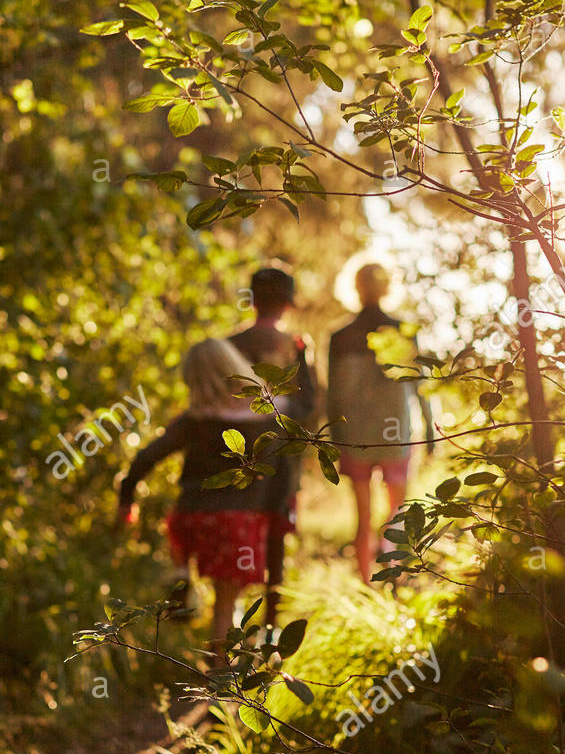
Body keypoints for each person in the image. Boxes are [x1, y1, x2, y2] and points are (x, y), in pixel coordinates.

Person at [116, 339, 285, 664]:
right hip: (235, 519)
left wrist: (127, 498)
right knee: (224, 607)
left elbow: (146, 458)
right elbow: (273, 475)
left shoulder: (193, 420)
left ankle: (182, 575)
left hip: (189, 516)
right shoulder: (264, 417)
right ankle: (220, 680)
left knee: (185, 541)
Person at [327, 263, 434, 584]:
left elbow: (332, 394)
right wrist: (430, 430)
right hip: (396, 435)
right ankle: (393, 582)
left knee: (362, 519)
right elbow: (421, 385)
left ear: (355, 288)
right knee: (397, 515)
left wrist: (335, 438)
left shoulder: (340, 337)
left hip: (355, 438)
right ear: (388, 287)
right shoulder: (403, 329)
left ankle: (366, 584)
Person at [227, 266, 315, 629]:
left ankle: (228, 620)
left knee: (235, 530)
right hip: (279, 457)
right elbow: (308, 401)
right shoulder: (295, 346)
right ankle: (271, 624)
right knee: (276, 536)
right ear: (288, 305)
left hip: (234, 454)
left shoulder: (229, 344)